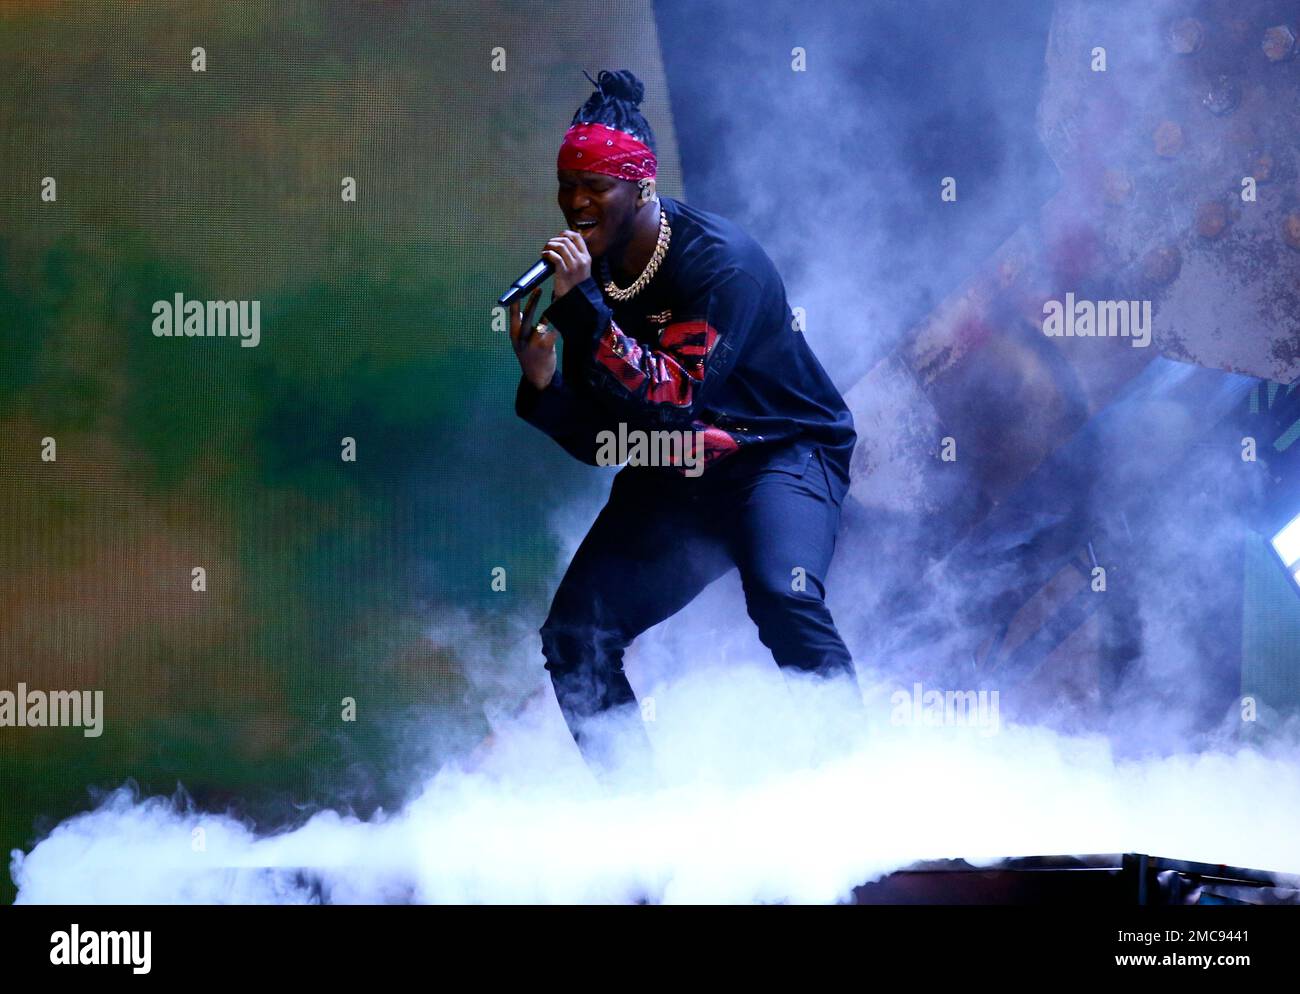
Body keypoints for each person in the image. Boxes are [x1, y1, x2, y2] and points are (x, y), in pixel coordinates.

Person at [508, 69, 860, 783]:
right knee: (575, 635)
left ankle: (854, 791)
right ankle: (641, 816)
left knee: (782, 594)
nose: (576, 203)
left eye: (595, 187)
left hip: (777, 452)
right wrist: (543, 384)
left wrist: (582, 312)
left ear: (640, 186)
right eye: (566, 186)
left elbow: (673, 396)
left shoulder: (722, 264)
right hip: (678, 467)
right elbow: (609, 436)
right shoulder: (598, 278)